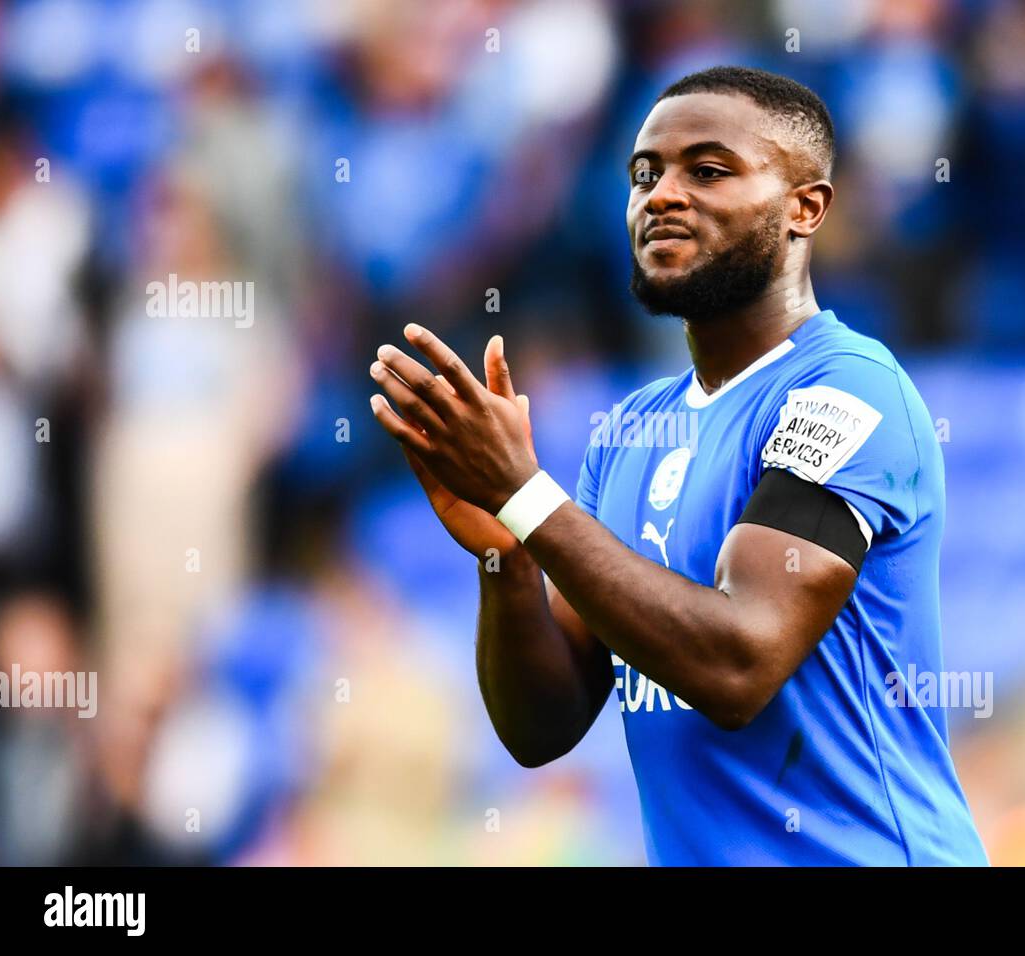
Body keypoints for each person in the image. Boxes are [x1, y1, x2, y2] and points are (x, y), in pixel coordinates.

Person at [368, 66, 987, 866]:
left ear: (806, 208)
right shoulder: (628, 430)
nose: (661, 194)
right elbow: (540, 729)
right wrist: (508, 553)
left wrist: (526, 495)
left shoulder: (846, 390)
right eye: (643, 173)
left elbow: (739, 662)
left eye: (708, 170)